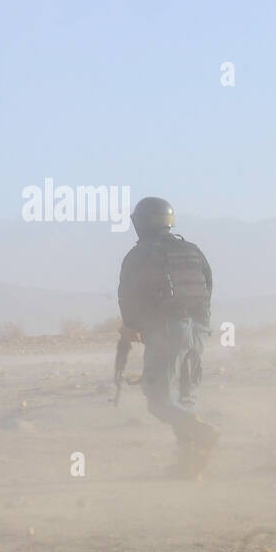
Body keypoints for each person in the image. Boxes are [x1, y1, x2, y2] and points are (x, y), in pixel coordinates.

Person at [117, 196, 218, 478]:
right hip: (199, 330)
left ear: (141, 223)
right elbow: (208, 288)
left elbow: (128, 295)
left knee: (158, 398)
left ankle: (201, 432)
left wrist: (130, 327)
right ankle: (190, 468)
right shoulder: (192, 251)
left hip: (167, 330)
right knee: (186, 397)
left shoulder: (140, 254)